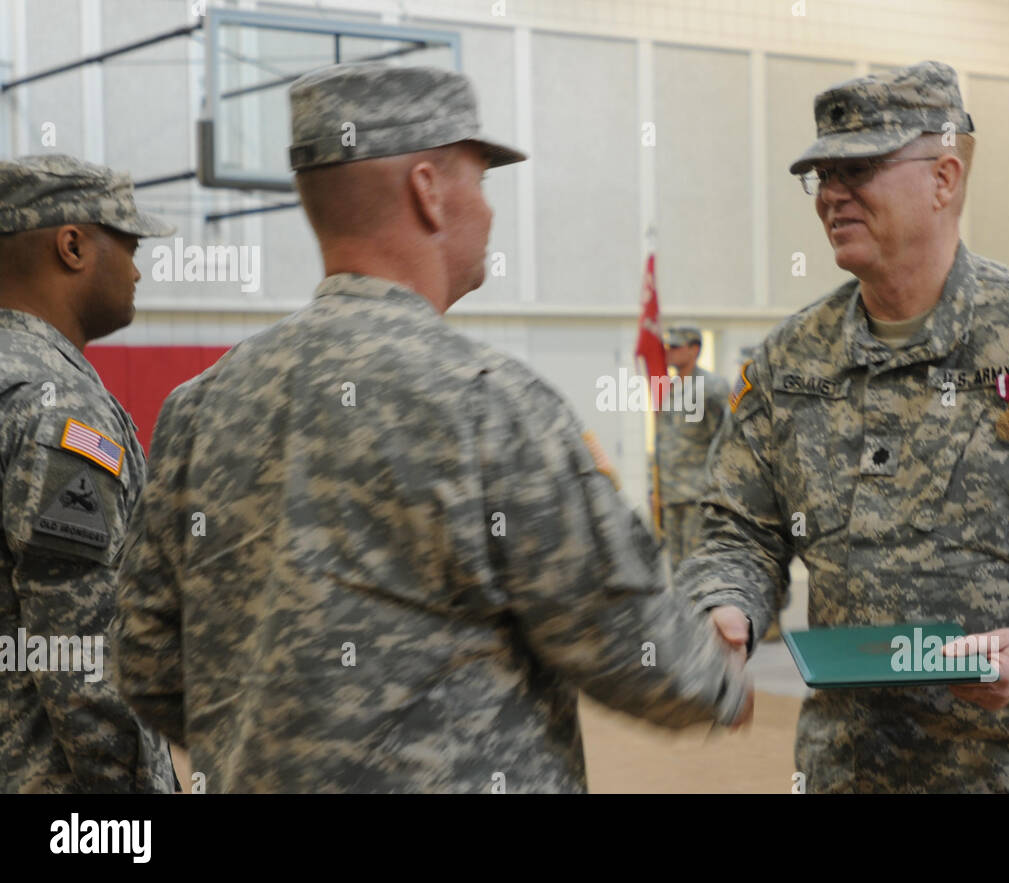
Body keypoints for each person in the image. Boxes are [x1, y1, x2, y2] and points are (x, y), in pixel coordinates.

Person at [112, 62, 751, 794]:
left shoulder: (198, 408)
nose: (488, 210)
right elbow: (628, 641)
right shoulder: (491, 403)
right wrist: (719, 675)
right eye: (480, 180)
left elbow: (146, 660)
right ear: (428, 190)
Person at [676, 61, 1009, 793]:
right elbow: (741, 529)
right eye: (821, 172)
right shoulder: (791, 360)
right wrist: (727, 603)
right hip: (851, 769)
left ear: (944, 177)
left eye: (858, 166)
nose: (831, 192)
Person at [0, 154, 175, 793]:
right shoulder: (60, 405)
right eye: (128, 244)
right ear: (72, 246)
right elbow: (81, 656)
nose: (137, 268)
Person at [655, 325, 731, 576]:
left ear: (695, 349)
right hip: (671, 494)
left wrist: (719, 489)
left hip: (697, 494)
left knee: (698, 567)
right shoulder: (669, 388)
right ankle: (683, 615)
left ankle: (698, 615)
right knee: (676, 569)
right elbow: (663, 440)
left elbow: (727, 438)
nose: (669, 352)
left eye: (676, 347)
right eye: (668, 346)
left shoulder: (713, 387)